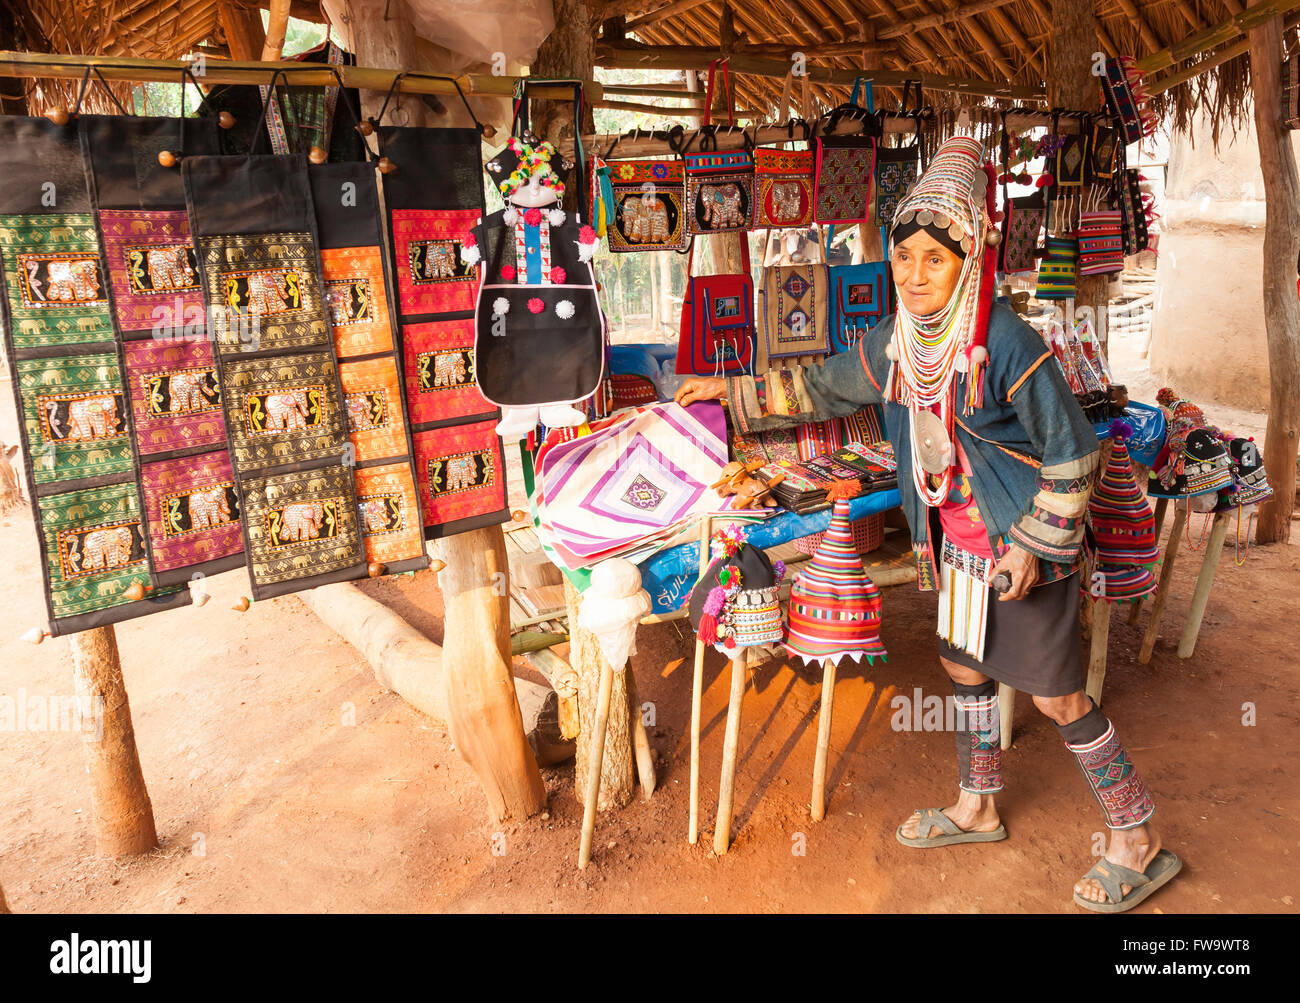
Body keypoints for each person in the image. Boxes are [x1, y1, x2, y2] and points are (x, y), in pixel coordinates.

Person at [675, 136, 1180, 913]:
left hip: (1016, 546)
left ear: (967, 256)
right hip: (950, 550)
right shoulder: (894, 340)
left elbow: (1074, 450)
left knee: (1056, 698)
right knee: (964, 669)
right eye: (903, 255)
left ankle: (1135, 835)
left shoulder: (1004, 341)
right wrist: (731, 391)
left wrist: (1038, 548)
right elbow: (823, 387)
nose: (913, 274)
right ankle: (978, 806)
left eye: (932, 260)